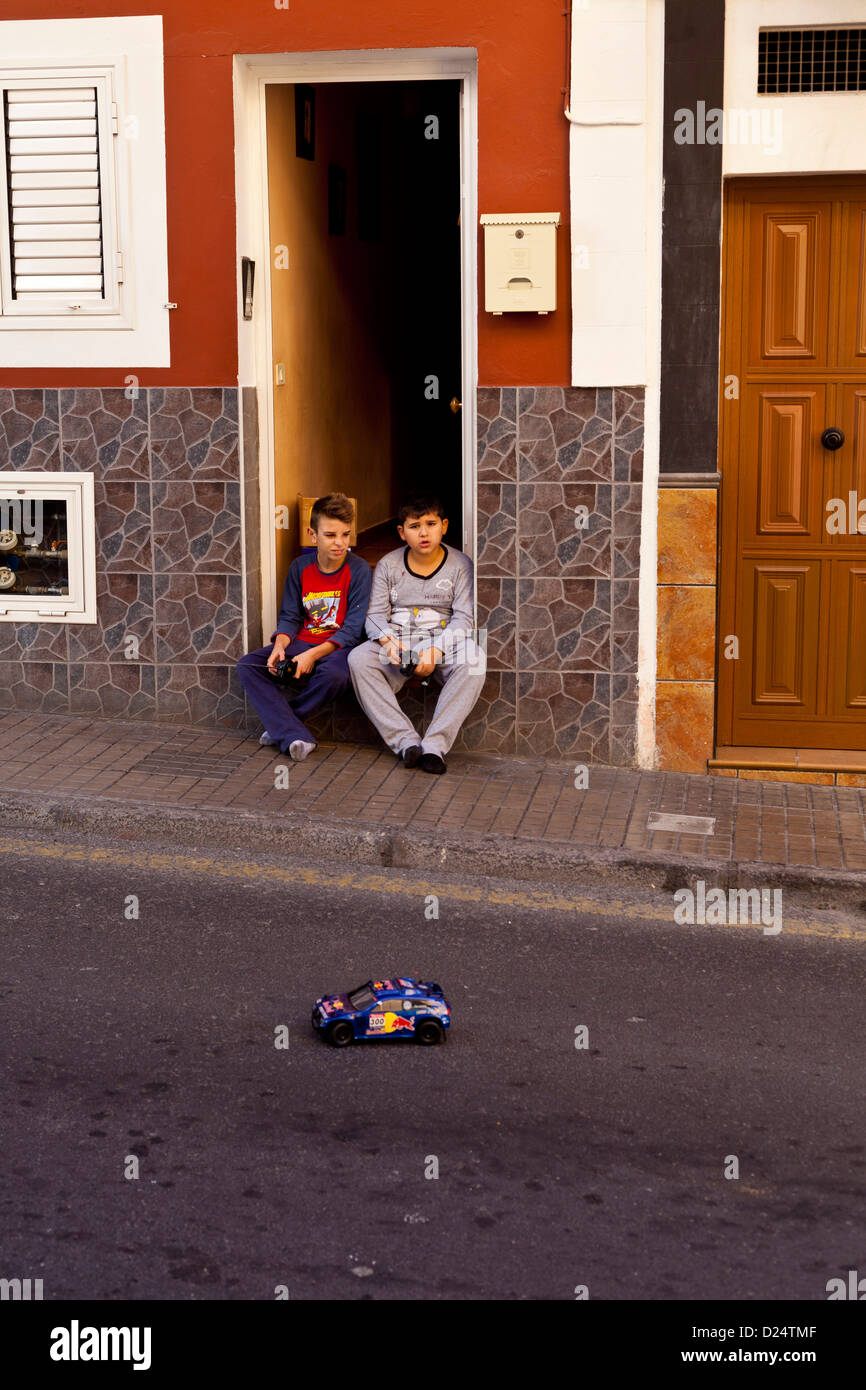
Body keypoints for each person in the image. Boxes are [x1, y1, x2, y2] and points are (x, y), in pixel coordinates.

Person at [348, 494, 486, 774]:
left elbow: (465, 618)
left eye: (431, 524)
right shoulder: (388, 564)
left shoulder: (461, 565)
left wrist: (435, 651)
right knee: (358, 659)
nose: (423, 532)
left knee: (476, 658)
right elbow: (374, 615)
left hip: (443, 639)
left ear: (444, 526)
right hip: (399, 640)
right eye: (414, 526)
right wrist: (391, 643)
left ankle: (434, 746)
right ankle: (406, 742)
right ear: (402, 532)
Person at [237, 493, 371, 761]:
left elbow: (353, 630)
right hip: (301, 641)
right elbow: (289, 615)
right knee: (248, 666)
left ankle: (283, 729)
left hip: (339, 648)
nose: (340, 543)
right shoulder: (300, 567)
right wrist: (280, 645)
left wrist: (312, 655)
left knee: (337, 676)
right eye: (331, 535)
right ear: (313, 535)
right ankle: (293, 733)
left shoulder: (360, 571)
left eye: (345, 534)